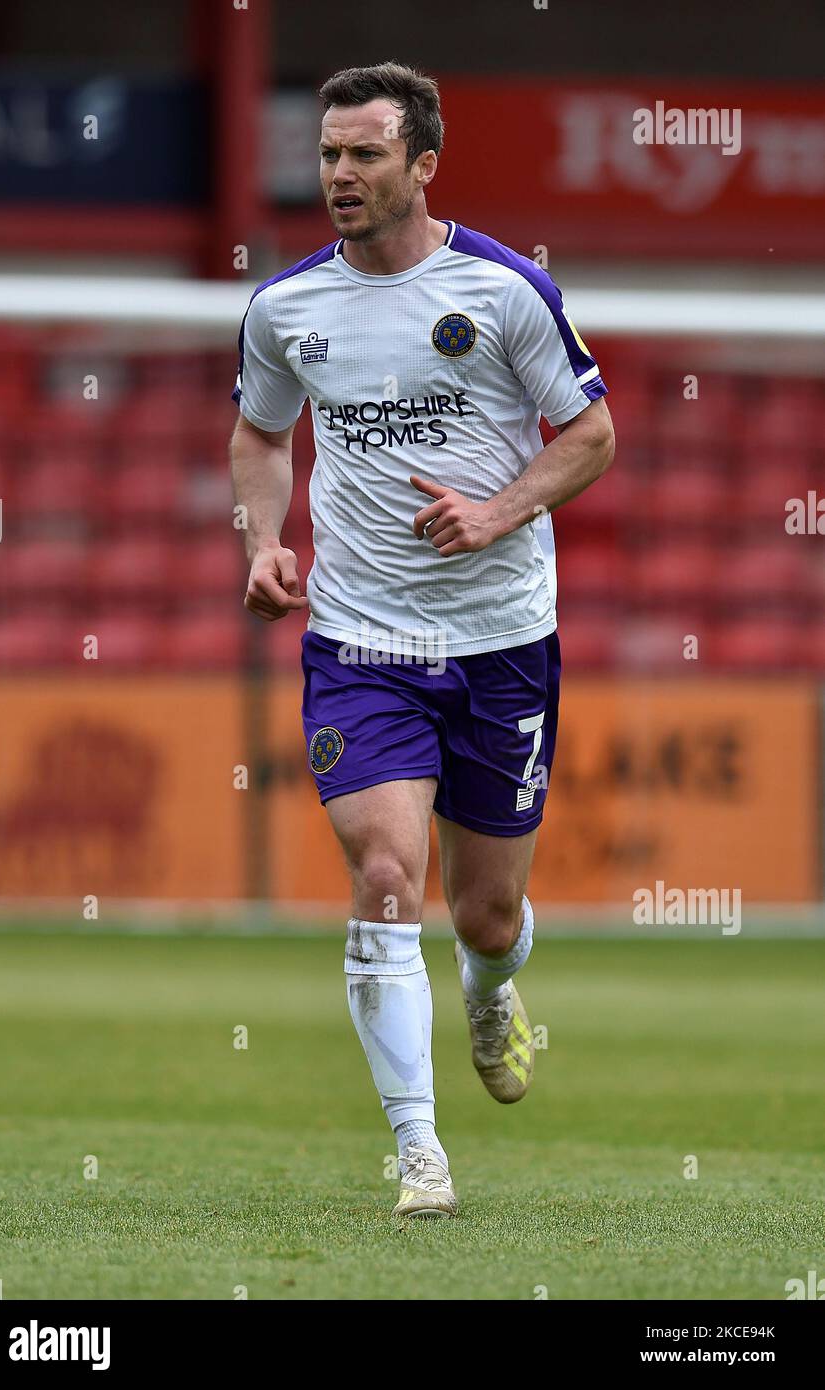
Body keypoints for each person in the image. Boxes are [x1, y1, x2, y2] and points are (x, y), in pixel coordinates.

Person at [230, 61, 614, 1218]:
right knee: (387, 873)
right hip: (359, 640)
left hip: (500, 640)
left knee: (483, 914)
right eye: (328, 155)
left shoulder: (504, 291)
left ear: (422, 165)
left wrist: (495, 511)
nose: (339, 174)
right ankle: (417, 1152)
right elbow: (258, 435)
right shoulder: (286, 308)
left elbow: (589, 434)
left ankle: (492, 996)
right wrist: (261, 540)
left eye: (364, 155)